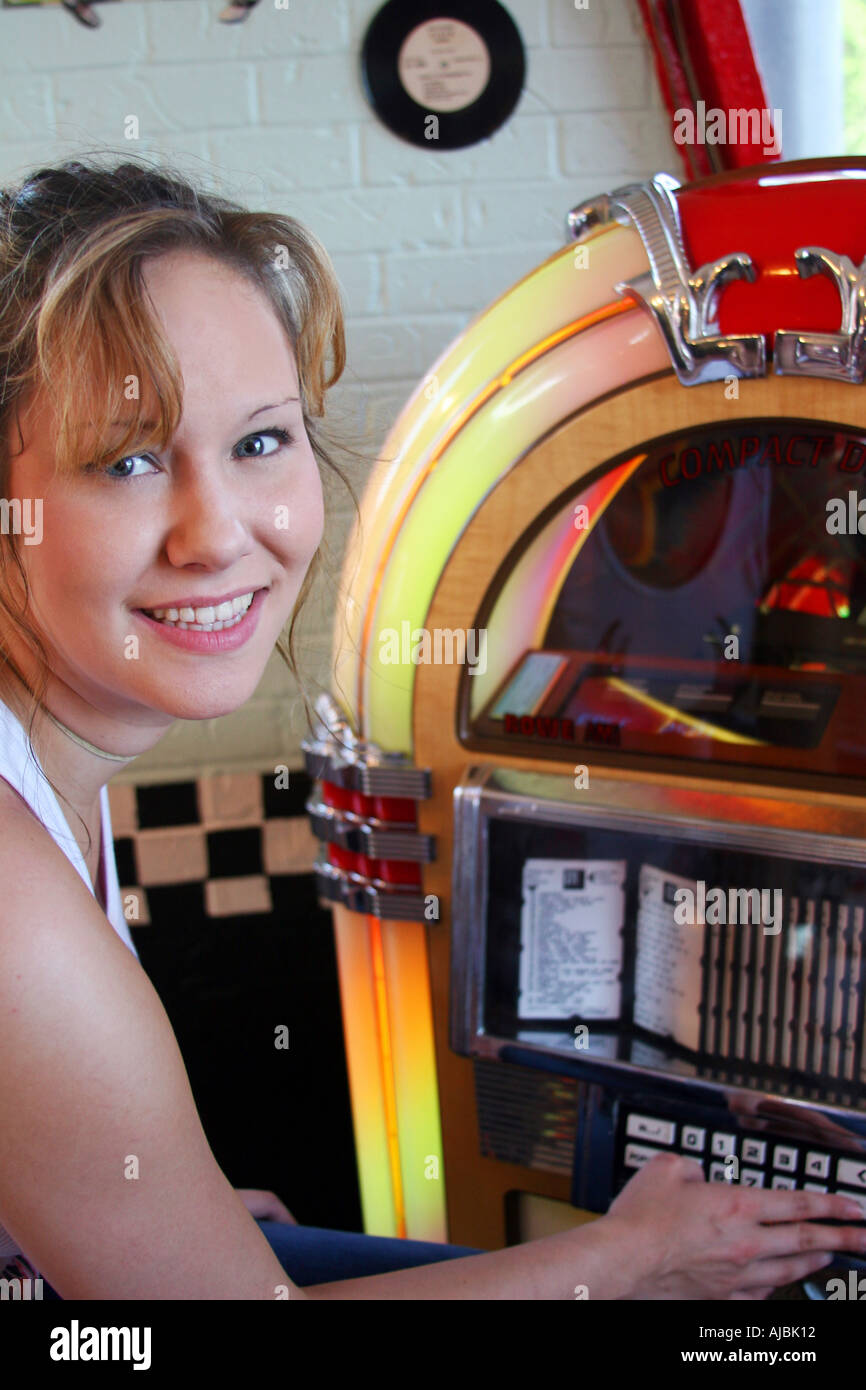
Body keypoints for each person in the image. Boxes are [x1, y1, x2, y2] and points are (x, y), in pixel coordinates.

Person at [0, 155, 863, 1302]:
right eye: (129, 460)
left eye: (259, 441)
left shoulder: (59, 756)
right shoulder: (15, 909)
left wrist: (147, 1216)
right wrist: (631, 1255)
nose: (216, 536)